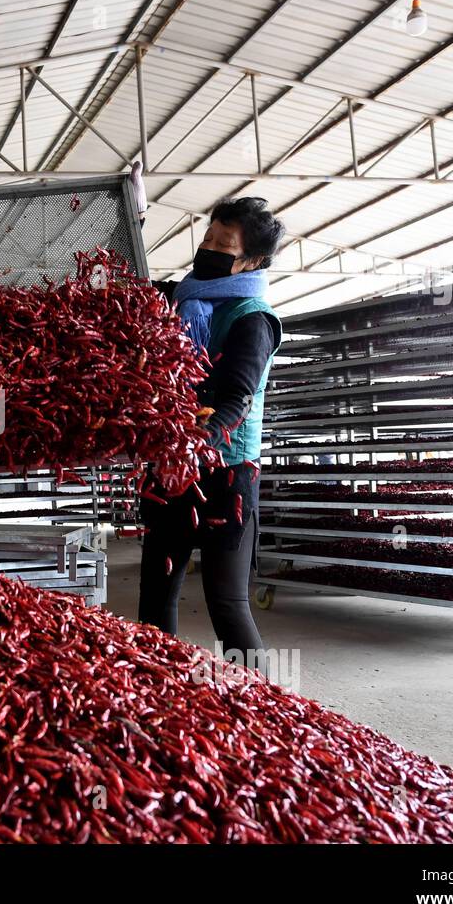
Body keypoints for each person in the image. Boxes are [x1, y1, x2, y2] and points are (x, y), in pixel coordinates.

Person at [137, 197, 284, 672]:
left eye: (224, 245)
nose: (209, 250)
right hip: (171, 470)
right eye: (207, 239)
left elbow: (238, 396)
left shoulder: (251, 318)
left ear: (253, 260)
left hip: (225, 476)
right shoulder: (182, 300)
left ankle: (265, 709)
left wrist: (199, 440)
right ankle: (162, 693)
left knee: (226, 603)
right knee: (156, 598)